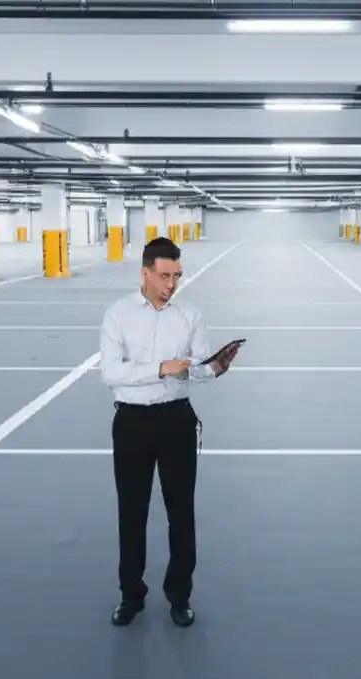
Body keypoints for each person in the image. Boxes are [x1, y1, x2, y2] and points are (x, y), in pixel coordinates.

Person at [98, 237, 240, 628]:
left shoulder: (190, 315)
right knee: (132, 514)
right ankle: (131, 596)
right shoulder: (118, 315)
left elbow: (195, 369)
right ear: (145, 273)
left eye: (177, 276)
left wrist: (214, 368)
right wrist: (160, 368)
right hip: (131, 423)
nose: (171, 284)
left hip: (177, 421)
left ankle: (179, 596)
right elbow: (110, 372)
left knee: (181, 514)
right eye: (164, 276)